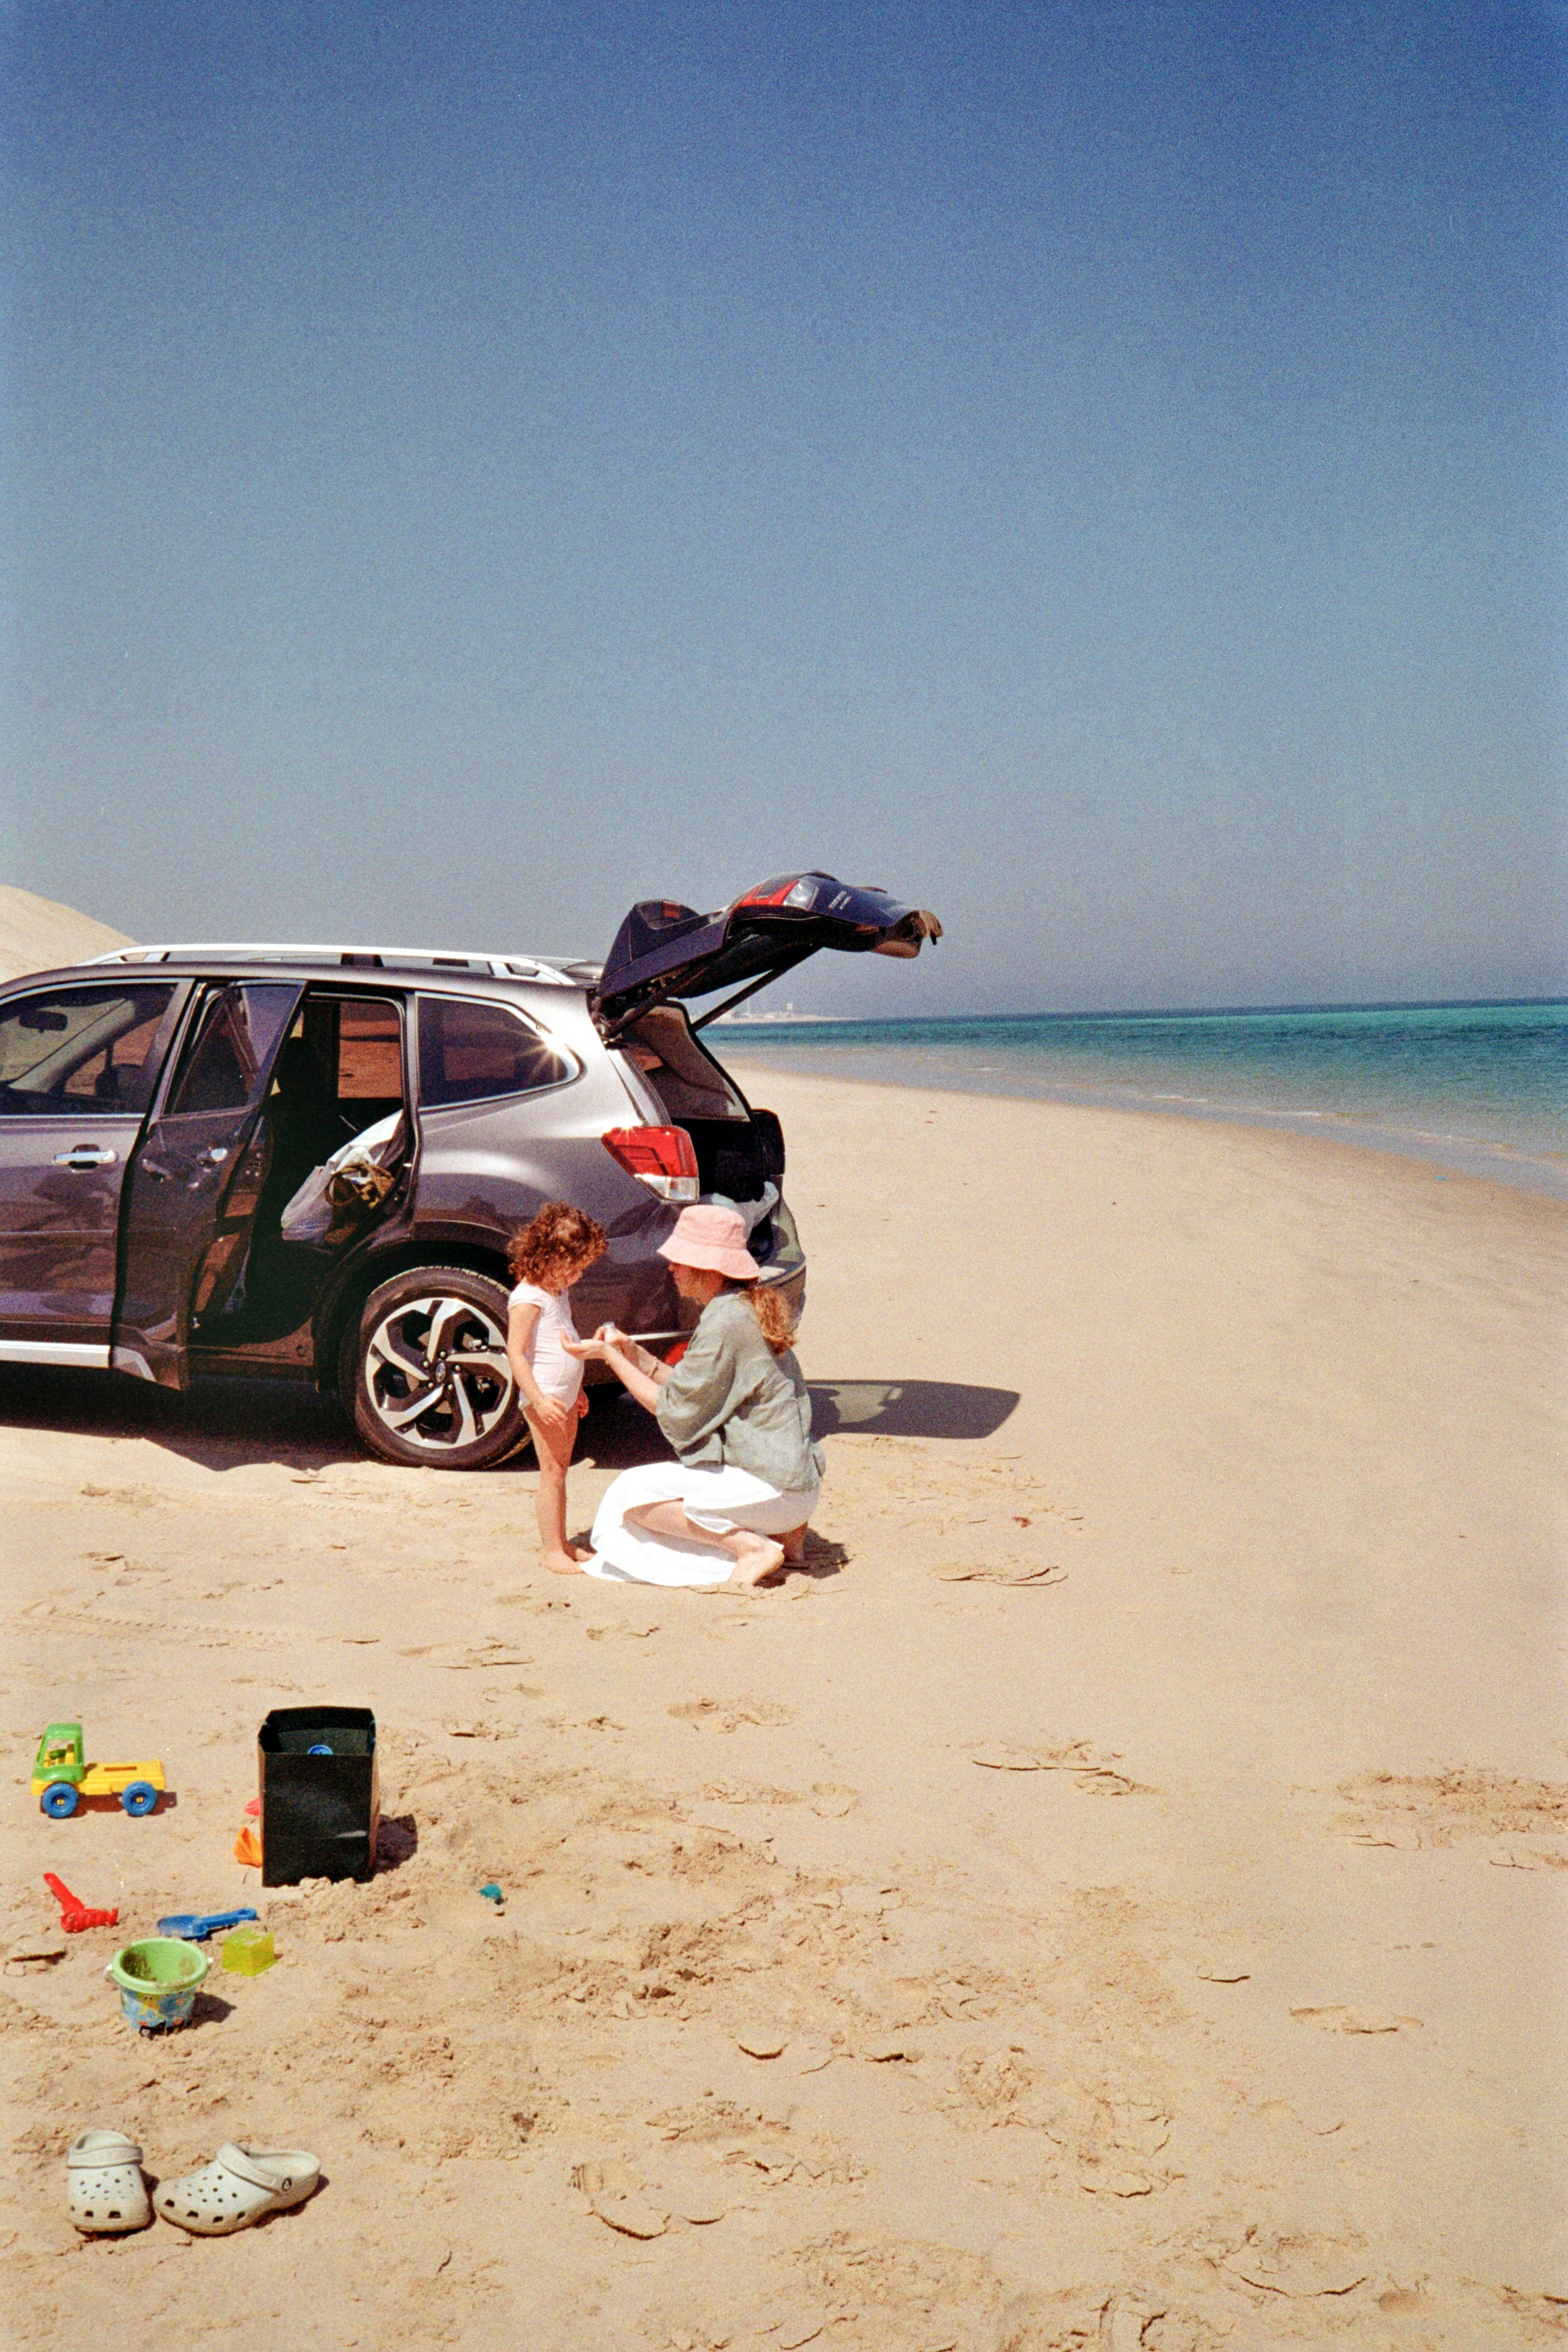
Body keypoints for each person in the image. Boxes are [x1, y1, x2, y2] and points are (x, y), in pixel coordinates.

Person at [564, 1202, 824, 1588]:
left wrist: (607, 1357)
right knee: (675, 1484)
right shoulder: (742, 1309)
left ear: (706, 1269)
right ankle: (790, 1538)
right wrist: (634, 1354)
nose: (671, 1268)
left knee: (628, 1496)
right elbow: (691, 1386)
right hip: (797, 1484)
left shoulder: (726, 1322)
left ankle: (752, 1547)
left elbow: (669, 1409)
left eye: (680, 1261)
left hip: (776, 1489)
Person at [505, 1201, 608, 1575]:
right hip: (544, 1398)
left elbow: (562, 1343)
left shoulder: (557, 1294)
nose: (578, 1277)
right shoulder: (528, 1297)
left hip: (563, 1396)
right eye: (575, 1268)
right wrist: (537, 1398)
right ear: (548, 1257)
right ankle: (551, 1551)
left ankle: (562, 1542)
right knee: (552, 1474)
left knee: (561, 1472)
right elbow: (516, 1353)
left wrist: (576, 1390)